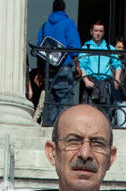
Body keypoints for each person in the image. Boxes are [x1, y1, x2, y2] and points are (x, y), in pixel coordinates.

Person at [36, 0, 81, 129]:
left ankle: (49, 129)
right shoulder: (68, 23)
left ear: (52, 9)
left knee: (50, 99)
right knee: (65, 100)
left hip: (48, 67)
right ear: (64, 9)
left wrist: (39, 71)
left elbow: (39, 49)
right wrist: (77, 66)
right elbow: (74, 47)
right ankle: (62, 130)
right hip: (64, 67)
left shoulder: (45, 26)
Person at [77, 20, 117, 120]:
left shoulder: (109, 48)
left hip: (105, 85)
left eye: (100, 31)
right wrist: (86, 81)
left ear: (103, 33)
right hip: (91, 84)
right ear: (91, 32)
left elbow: (118, 65)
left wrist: (117, 79)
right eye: (96, 30)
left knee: (105, 116)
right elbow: (82, 66)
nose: (98, 33)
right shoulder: (86, 47)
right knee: (88, 115)